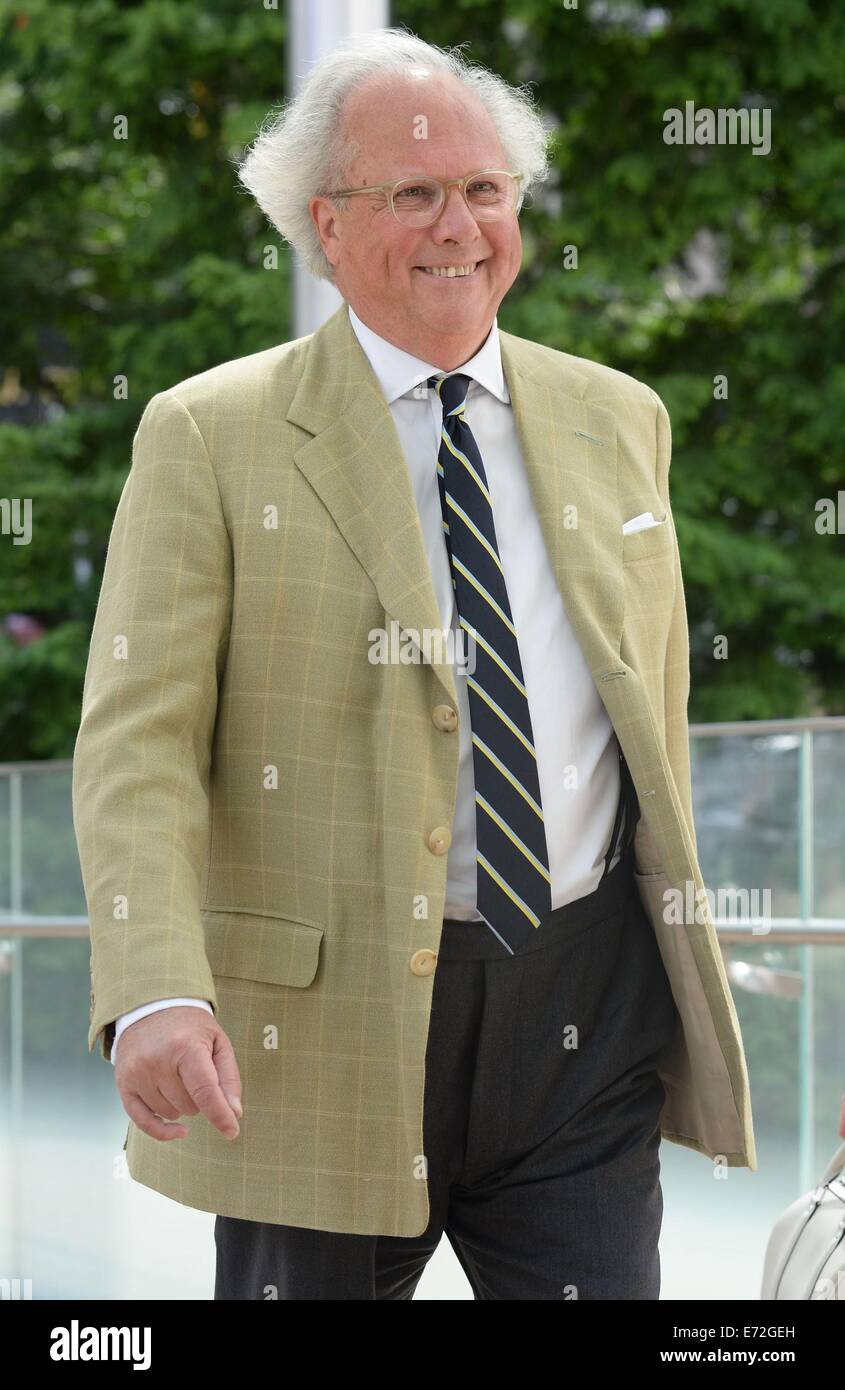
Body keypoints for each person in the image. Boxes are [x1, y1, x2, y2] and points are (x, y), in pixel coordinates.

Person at [73, 27, 757, 1301]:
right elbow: (137, 742)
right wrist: (156, 980)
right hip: (320, 1028)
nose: (460, 224)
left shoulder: (622, 417)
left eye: (484, 188)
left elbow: (640, 709)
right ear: (324, 227)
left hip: (581, 1009)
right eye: (414, 192)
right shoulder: (208, 436)